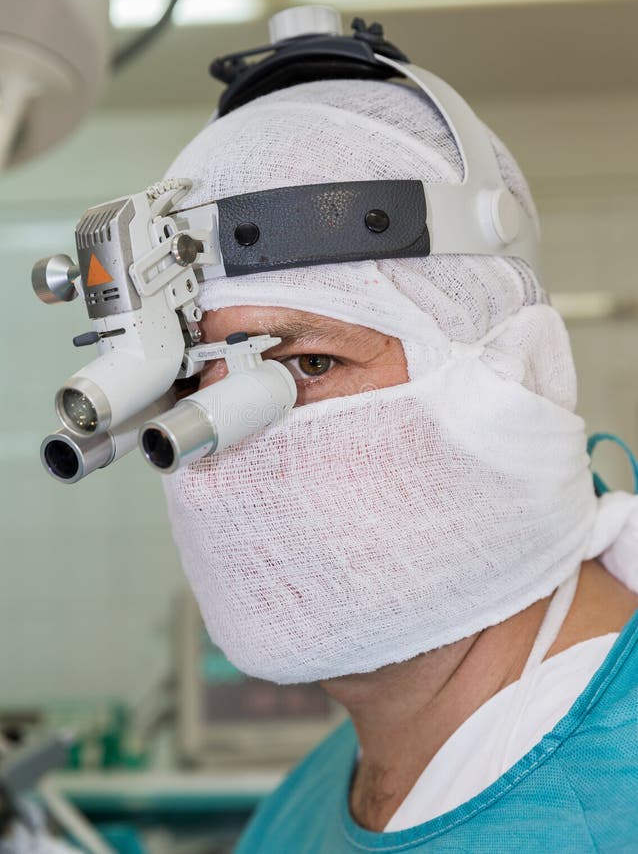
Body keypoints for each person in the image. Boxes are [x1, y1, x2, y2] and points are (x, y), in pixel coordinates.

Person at [161, 64, 638, 850]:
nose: (224, 466)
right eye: (189, 381)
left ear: (514, 373)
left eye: (309, 364)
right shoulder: (315, 798)